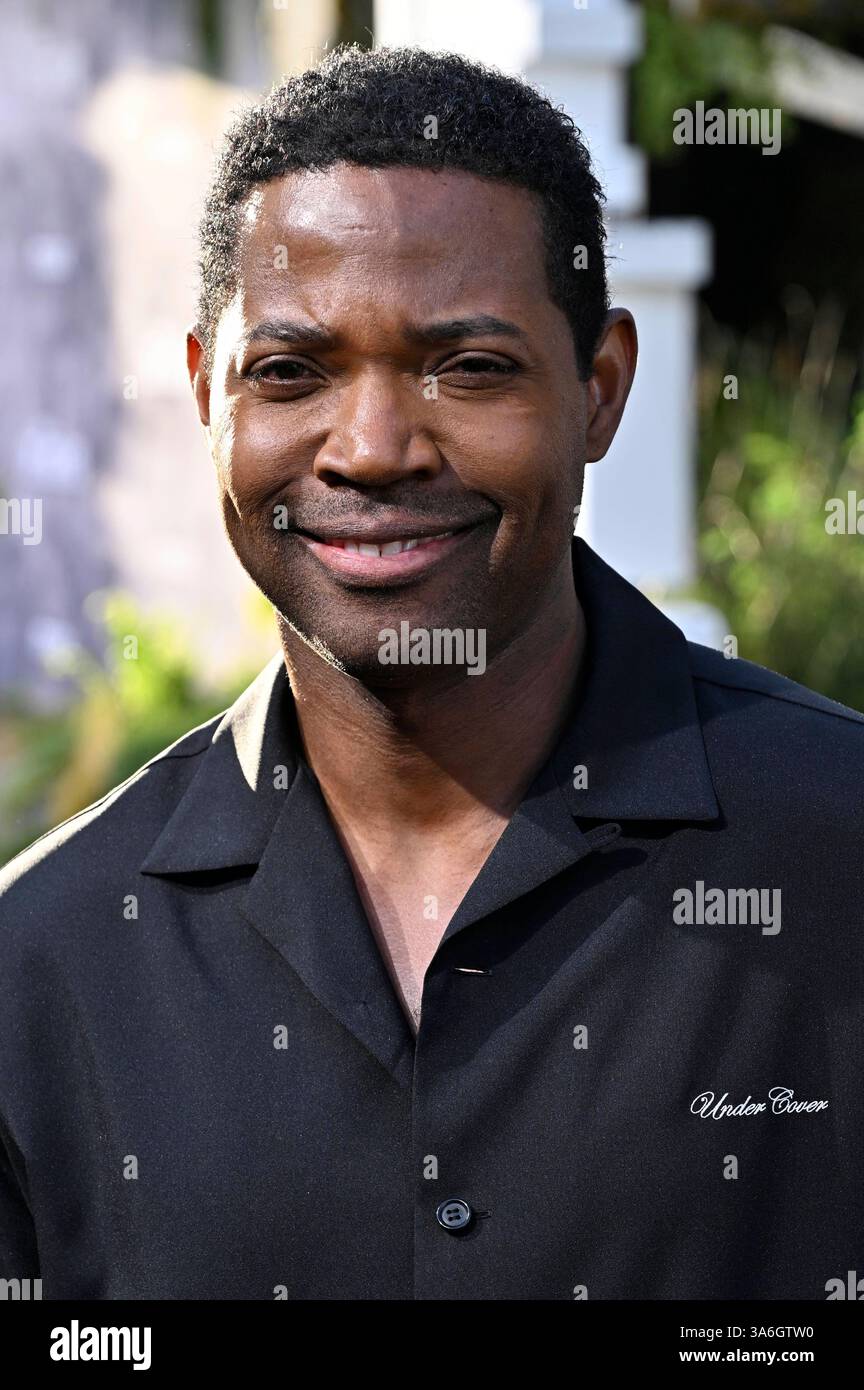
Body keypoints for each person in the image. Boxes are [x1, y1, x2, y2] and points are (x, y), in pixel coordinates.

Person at [1, 44, 862, 1302]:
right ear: (206, 395)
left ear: (601, 389)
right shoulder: (45, 962)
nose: (373, 450)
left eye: (468, 367)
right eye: (291, 373)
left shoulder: (839, 857)